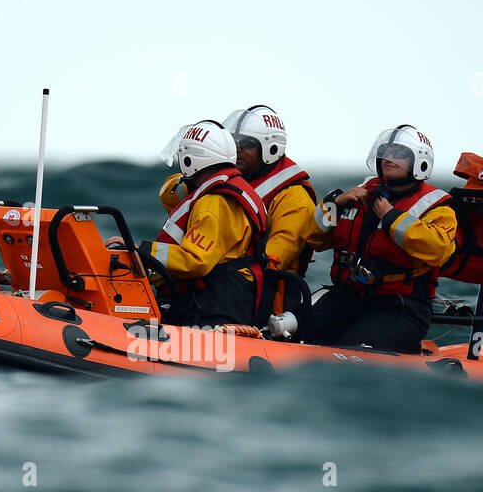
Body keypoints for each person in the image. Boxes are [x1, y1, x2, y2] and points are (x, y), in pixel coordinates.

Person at [295, 124, 457, 353]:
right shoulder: (360, 193)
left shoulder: (435, 207)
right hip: (348, 298)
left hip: (400, 307)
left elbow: (439, 250)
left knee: (353, 346)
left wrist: (391, 217)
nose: (389, 158)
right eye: (386, 152)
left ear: (419, 162)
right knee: (298, 332)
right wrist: (334, 204)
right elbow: (314, 239)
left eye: (399, 154)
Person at [139, 120, 269, 326]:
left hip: (216, 304)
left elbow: (195, 260)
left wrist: (143, 251)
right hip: (237, 296)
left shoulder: (212, 203)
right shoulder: (234, 188)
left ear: (192, 160)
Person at [224, 106, 318, 286]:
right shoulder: (231, 178)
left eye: (247, 143)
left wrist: (223, 279)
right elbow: (172, 199)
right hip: (227, 282)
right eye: (232, 141)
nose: (237, 148)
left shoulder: (294, 197)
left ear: (271, 148)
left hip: (267, 292)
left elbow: (277, 256)